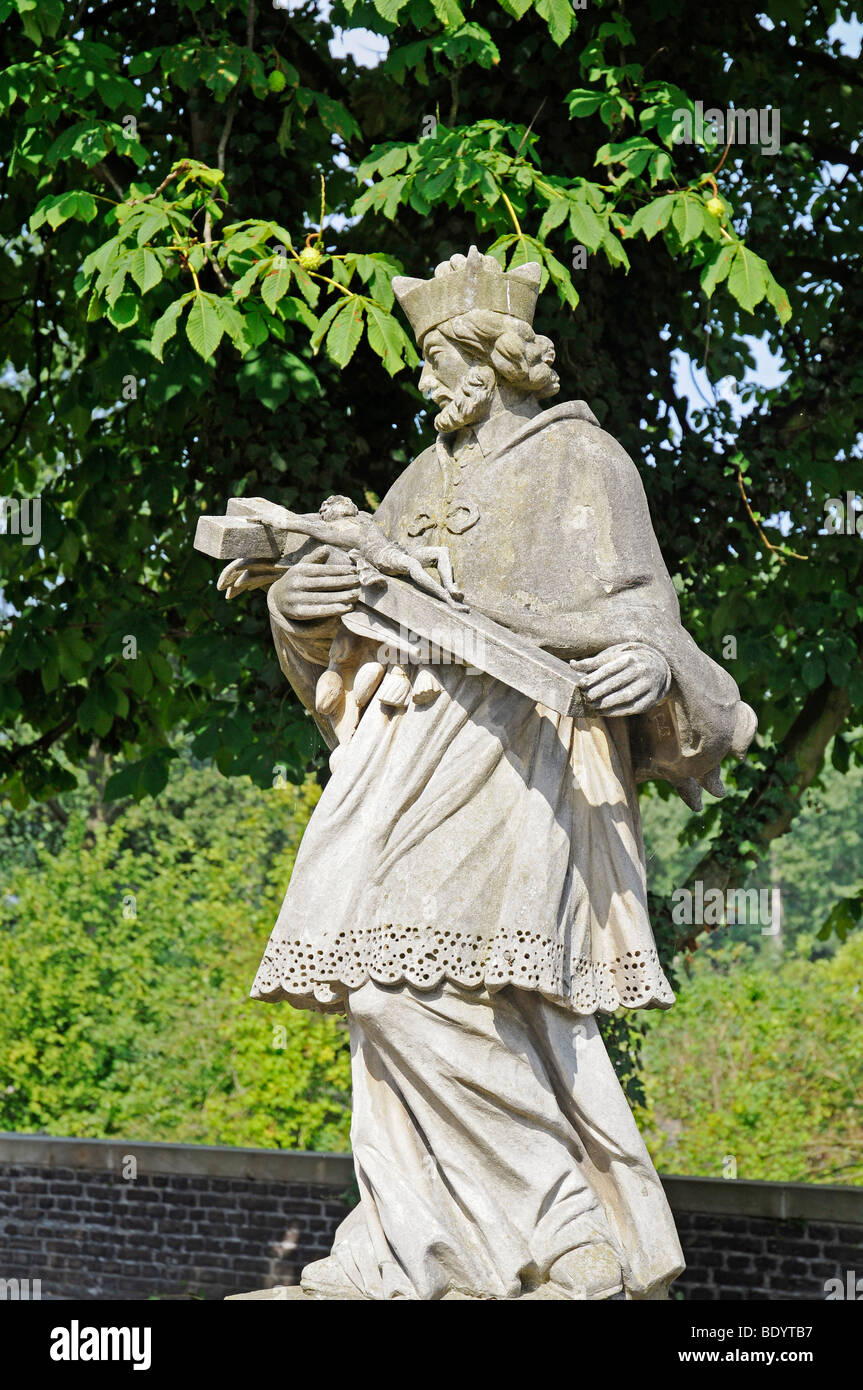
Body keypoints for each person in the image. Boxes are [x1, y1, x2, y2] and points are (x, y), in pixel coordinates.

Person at [244, 247, 756, 1300]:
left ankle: (566, 1233)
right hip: (403, 752)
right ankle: (405, 1247)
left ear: (496, 359)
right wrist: (295, 615)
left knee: (431, 990)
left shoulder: (586, 464)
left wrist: (650, 664)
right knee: (376, 990)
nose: (426, 378)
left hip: (523, 756)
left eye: (439, 355)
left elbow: (648, 623)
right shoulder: (415, 481)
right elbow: (344, 636)